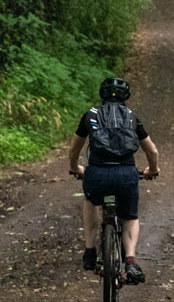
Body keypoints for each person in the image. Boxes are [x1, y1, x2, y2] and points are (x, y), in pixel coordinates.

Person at [68, 77, 159, 283]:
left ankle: (90, 250)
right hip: (126, 174)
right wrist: (152, 170)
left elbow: (75, 149)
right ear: (127, 97)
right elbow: (152, 151)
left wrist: (75, 167)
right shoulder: (131, 117)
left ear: (102, 95)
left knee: (90, 200)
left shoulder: (90, 115)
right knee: (130, 216)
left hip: (97, 173)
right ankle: (131, 261)